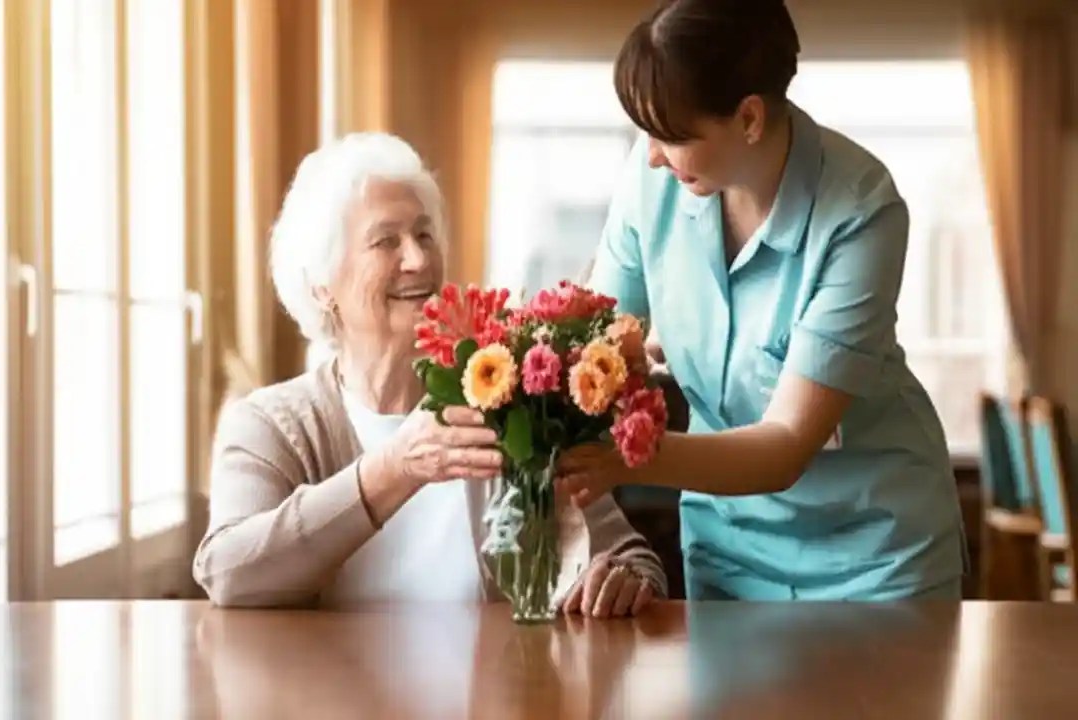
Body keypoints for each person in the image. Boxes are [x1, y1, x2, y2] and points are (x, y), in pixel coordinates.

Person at [555, 0, 966, 601]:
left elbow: (787, 442)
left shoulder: (860, 210)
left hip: (876, 557)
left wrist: (628, 459)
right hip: (728, 549)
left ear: (748, 118)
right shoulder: (654, 185)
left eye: (671, 135)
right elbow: (598, 348)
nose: (650, 155)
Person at [192, 132, 668, 616]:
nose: (418, 260)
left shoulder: (507, 402)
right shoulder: (272, 424)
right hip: (322, 693)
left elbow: (635, 558)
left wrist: (623, 580)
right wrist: (394, 467)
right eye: (385, 242)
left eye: (424, 235)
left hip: (498, 694)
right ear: (321, 286)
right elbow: (229, 573)